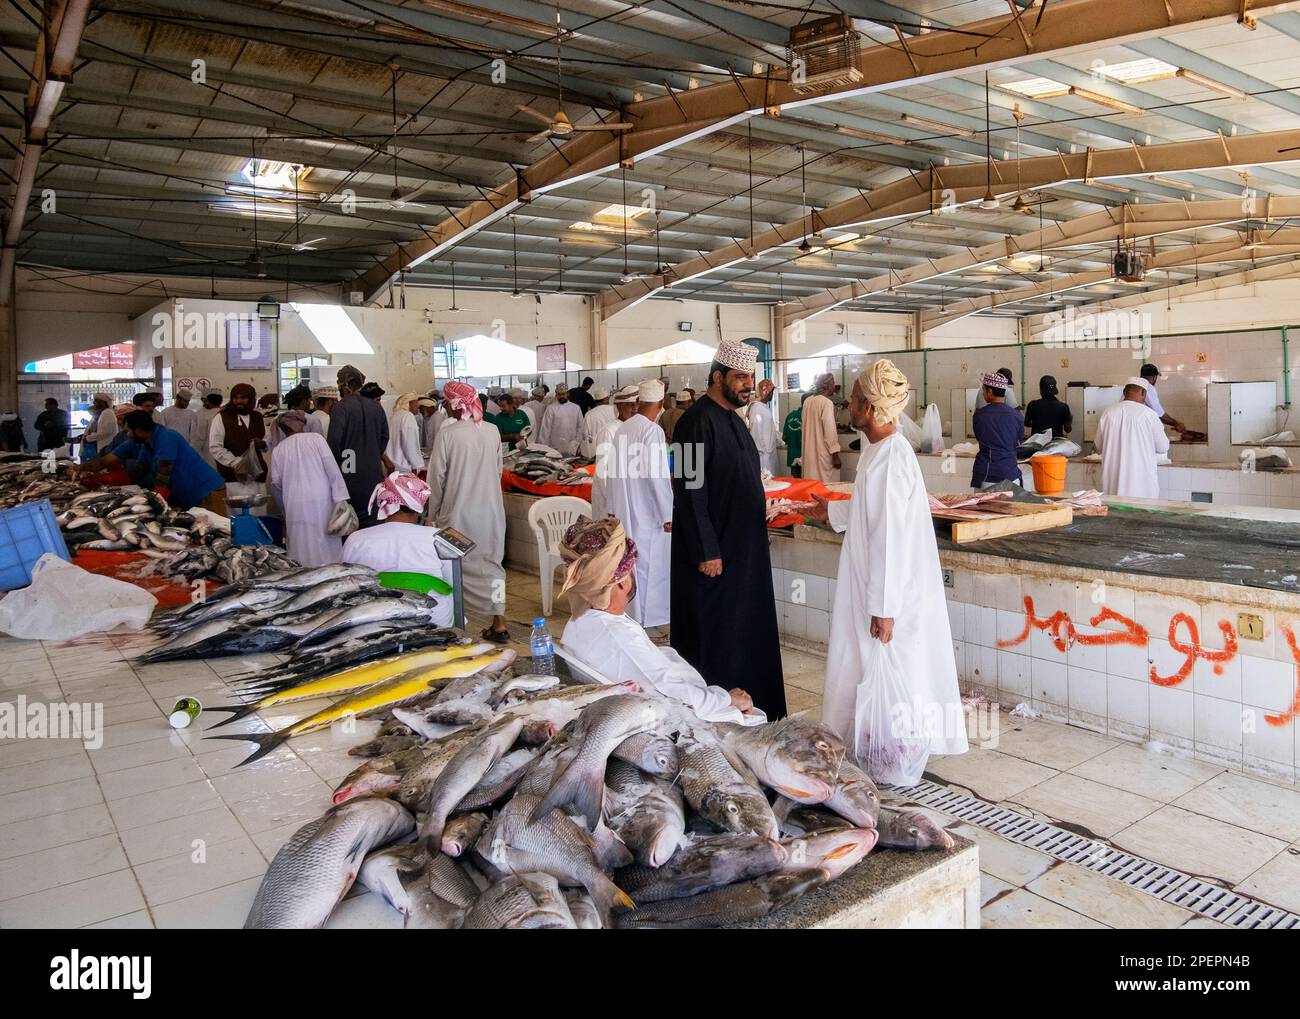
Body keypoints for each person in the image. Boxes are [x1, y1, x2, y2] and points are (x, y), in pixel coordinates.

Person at [806, 360, 968, 765]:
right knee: (864, 668)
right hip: (871, 587)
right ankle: (870, 746)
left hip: (890, 594)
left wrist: (884, 608)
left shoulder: (893, 457)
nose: (850, 405)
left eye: (857, 399)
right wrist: (831, 513)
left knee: (897, 671)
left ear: (872, 407)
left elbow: (891, 539)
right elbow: (869, 513)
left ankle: (895, 755)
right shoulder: (877, 451)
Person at [671, 340, 786, 718]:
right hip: (714, 557)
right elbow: (687, 489)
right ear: (717, 377)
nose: (747, 385)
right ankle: (716, 714)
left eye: (751, 377)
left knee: (745, 633)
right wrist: (707, 549)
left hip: (744, 553)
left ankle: (754, 712)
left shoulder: (735, 421)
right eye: (740, 377)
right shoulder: (692, 423)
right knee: (716, 636)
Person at [558, 518, 763, 725]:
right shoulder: (619, 638)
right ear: (621, 583)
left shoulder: (582, 619)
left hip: (640, 703)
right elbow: (677, 695)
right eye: (631, 569)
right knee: (754, 717)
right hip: (675, 718)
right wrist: (726, 699)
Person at [426, 381, 508, 641]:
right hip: (492, 512)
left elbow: (436, 479)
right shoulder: (493, 431)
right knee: (493, 565)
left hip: (458, 513)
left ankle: (458, 623)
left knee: (456, 568)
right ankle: (500, 623)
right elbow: (498, 471)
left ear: (453, 406)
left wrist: (432, 514)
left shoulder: (448, 435)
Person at [602, 380, 672, 628]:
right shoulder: (652, 431)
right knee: (646, 566)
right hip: (647, 511)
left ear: (639, 402)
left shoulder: (624, 428)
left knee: (629, 563)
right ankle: (644, 621)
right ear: (661, 404)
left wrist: (612, 507)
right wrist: (667, 513)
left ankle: (630, 615)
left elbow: (611, 472)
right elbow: (657, 476)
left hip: (624, 508)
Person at [342, 473, 454, 627]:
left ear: (382, 503)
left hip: (373, 624)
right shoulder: (440, 538)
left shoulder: (355, 539)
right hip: (432, 621)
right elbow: (452, 583)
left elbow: (347, 586)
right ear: (419, 509)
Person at [81, 410, 225, 512]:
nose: (128, 435)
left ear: (138, 430)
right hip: (186, 496)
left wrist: (151, 504)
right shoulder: (146, 444)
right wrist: (101, 480)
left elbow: (163, 476)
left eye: (129, 431)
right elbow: (137, 472)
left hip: (207, 494)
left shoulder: (167, 438)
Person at [269, 409, 350, 566]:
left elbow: (276, 483)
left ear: (283, 429)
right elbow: (332, 470)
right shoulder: (316, 439)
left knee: (301, 543)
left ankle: (303, 576)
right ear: (301, 424)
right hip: (323, 501)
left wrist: (284, 509)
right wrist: (341, 499)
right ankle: (330, 575)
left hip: (294, 503)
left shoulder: (279, 449)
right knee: (326, 542)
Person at [328, 366, 393, 526]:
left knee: (349, 525)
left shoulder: (340, 408)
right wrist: (371, 453)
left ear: (345, 385)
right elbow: (384, 438)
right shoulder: (376, 407)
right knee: (373, 523)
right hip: (373, 475)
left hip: (349, 476)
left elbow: (334, 443)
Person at [1096, 378, 1171, 500]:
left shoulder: (1108, 413)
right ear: (1143, 393)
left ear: (1125, 392)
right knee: (1142, 517)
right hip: (1142, 487)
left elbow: (1098, 446)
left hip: (1113, 486)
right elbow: (1163, 447)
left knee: (1115, 516)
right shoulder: (1150, 415)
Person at [209, 383, 268, 501]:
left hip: (257, 476)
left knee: (257, 513)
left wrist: (263, 444)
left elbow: (267, 440)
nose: (238, 401)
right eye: (235, 398)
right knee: (236, 514)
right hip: (233, 479)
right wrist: (237, 463)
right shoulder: (222, 417)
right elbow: (215, 447)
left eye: (243, 398)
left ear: (251, 399)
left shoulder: (257, 416)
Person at [590, 386, 639, 520]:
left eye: (637, 404)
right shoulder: (609, 431)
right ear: (619, 407)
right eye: (630, 405)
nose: (635, 408)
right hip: (611, 505)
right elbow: (602, 473)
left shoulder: (636, 429)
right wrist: (617, 503)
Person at [971, 371, 1025, 488]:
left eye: (984, 390)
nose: (983, 393)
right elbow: (1018, 442)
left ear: (990, 391)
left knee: (984, 507)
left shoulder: (979, 416)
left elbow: (981, 438)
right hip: (1010, 474)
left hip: (987, 474)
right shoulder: (1017, 416)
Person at [801, 372, 841, 483]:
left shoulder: (807, 402)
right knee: (825, 487)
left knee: (811, 486)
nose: (834, 386)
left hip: (809, 456)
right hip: (823, 455)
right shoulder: (826, 403)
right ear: (829, 385)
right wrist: (835, 455)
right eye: (833, 384)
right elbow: (830, 431)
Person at [534, 382, 581, 454]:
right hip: (554, 448)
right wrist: (544, 449)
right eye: (559, 394)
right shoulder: (551, 408)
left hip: (572, 447)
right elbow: (545, 430)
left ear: (568, 393)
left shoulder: (576, 408)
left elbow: (580, 427)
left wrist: (577, 443)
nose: (561, 396)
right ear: (556, 394)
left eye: (563, 394)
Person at [1139, 363, 1186, 435]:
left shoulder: (1134, 386)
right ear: (1154, 377)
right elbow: (1159, 414)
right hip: (1142, 429)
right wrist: (1176, 423)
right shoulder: (1148, 387)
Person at [747, 378, 780, 476]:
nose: (772, 394)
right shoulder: (757, 408)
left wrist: (781, 440)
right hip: (763, 458)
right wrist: (761, 452)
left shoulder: (763, 407)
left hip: (769, 455)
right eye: (771, 392)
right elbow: (755, 432)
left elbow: (770, 430)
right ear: (765, 392)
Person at [385, 392, 423, 471]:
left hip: (393, 465)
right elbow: (409, 445)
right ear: (409, 403)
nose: (418, 406)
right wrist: (415, 465)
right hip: (404, 467)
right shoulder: (408, 416)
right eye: (415, 402)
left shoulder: (395, 415)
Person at [578, 385, 615, 457]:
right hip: (613, 448)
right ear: (606, 398)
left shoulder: (589, 414)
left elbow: (585, 436)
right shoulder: (615, 410)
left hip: (596, 452)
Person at [81, 392, 117, 460]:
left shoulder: (108, 412)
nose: (94, 403)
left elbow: (104, 433)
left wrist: (88, 438)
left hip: (106, 445)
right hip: (102, 446)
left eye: (96, 401)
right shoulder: (104, 413)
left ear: (102, 403)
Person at [782, 392, 809, 478]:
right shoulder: (807, 416)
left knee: (796, 482)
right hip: (805, 457)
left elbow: (784, 437)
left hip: (792, 457)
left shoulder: (790, 415)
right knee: (805, 484)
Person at [193, 393, 223, 466]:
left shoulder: (204, 415)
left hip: (209, 451)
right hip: (224, 452)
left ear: (208, 402)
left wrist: (193, 451)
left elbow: (200, 437)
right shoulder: (226, 414)